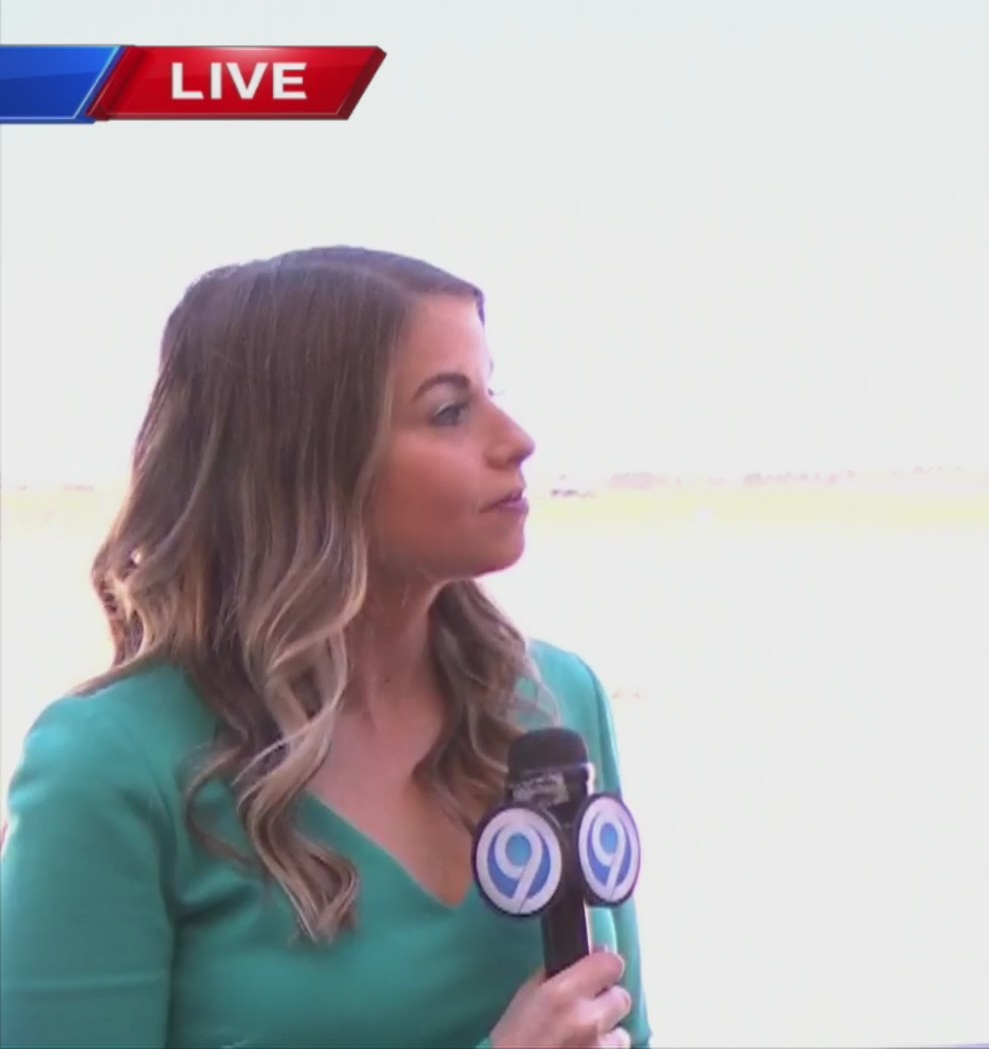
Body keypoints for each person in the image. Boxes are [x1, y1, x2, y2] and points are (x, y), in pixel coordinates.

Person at [0, 247, 650, 1048]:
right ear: (306, 462)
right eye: (449, 411)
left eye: (493, 393)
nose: (517, 439)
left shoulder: (551, 700)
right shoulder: (112, 766)